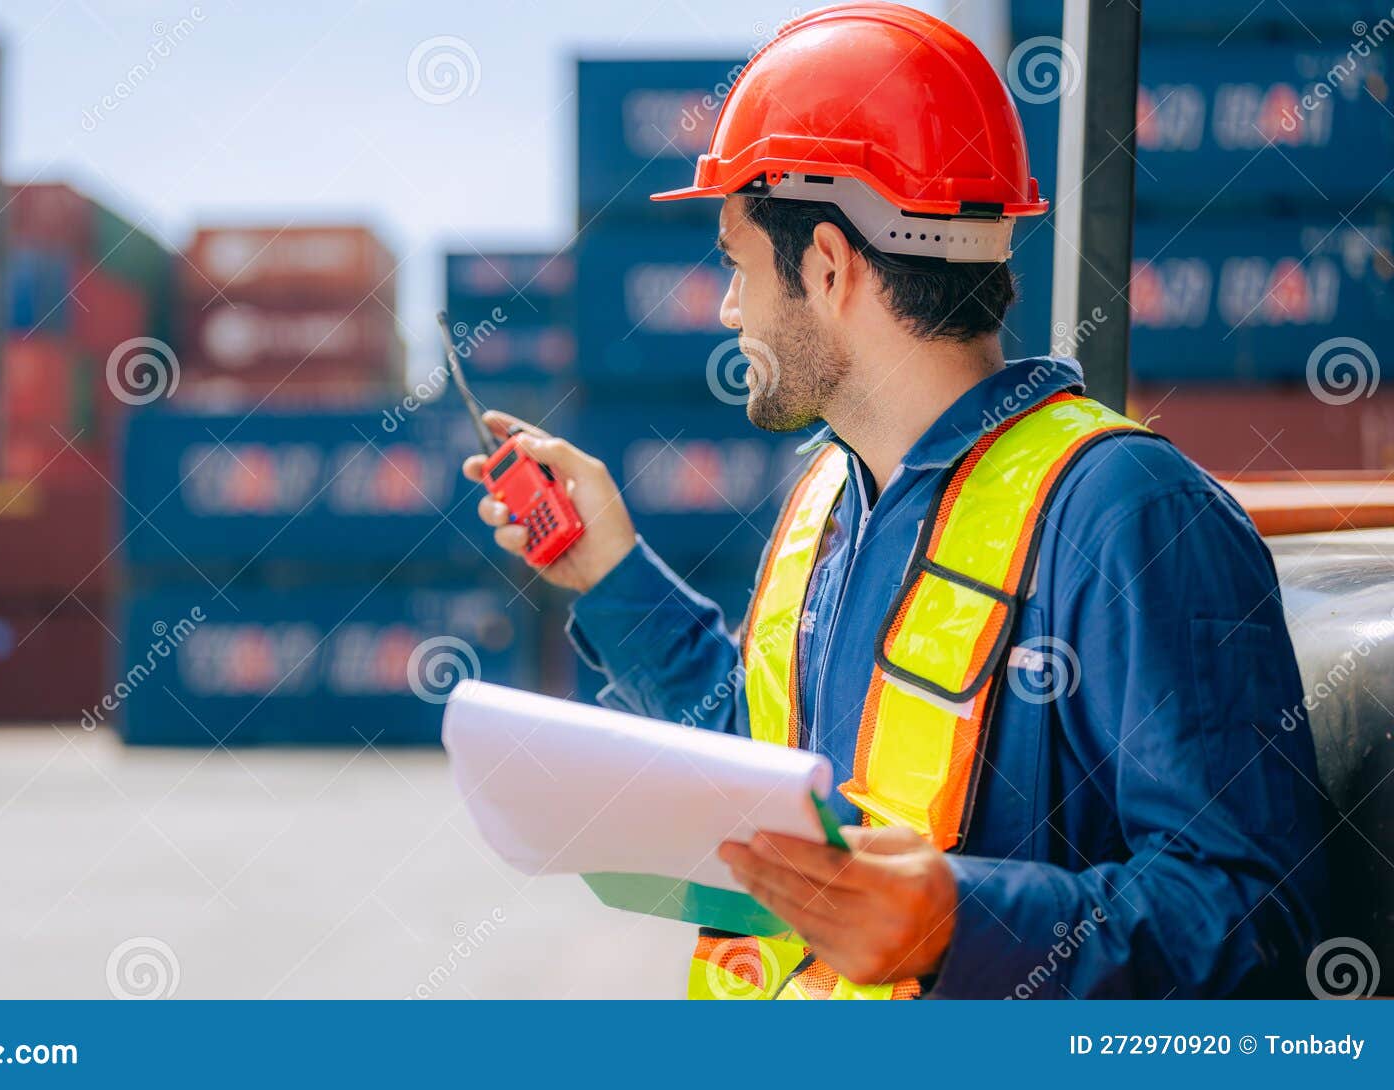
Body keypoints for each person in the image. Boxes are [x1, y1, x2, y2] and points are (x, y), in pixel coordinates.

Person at [463, 2, 1326, 999]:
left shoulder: (1127, 512)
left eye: (737, 266)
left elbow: (1255, 923)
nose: (729, 307)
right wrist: (607, 571)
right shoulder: (829, 498)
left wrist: (961, 924)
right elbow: (775, 776)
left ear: (827, 266)